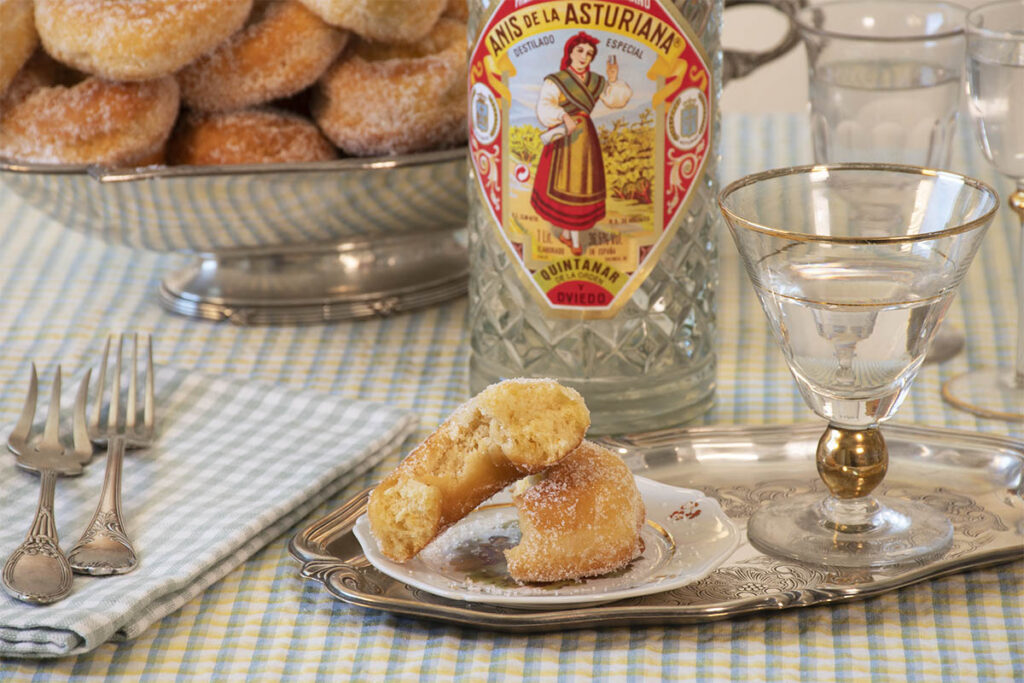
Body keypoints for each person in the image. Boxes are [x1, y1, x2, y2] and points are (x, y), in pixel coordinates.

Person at [530, 31, 632, 256]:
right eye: (580, 51)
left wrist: (613, 79)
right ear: (570, 52)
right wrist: (562, 116)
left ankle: (568, 235)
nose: (584, 56)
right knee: (568, 186)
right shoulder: (556, 80)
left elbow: (617, 99)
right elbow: (544, 106)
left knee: (581, 185)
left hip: (585, 138)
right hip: (565, 138)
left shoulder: (597, 81)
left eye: (589, 53)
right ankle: (575, 241)